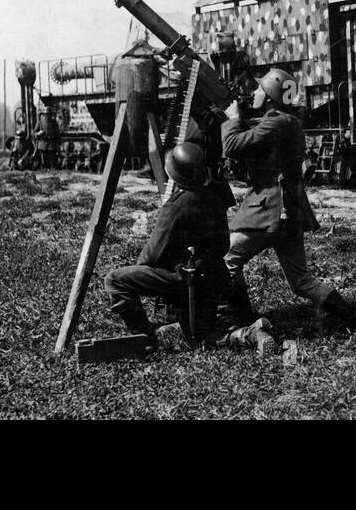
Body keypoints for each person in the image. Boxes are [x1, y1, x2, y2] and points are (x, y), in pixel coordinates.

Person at [104, 140, 275, 355]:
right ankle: (249, 334)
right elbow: (223, 246)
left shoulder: (176, 206)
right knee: (201, 339)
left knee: (115, 280)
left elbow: (152, 255)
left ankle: (145, 338)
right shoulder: (215, 199)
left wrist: (148, 272)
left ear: (174, 175)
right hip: (212, 280)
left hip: (184, 281)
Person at [220, 68, 356, 326]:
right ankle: (350, 315)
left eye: (259, 88)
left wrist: (232, 118)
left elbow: (231, 146)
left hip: (271, 210)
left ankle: (240, 319)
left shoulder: (275, 122)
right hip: (290, 213)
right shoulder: (287, 122)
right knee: (301, 281)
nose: (254, 92)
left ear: (272, 96)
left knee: (226, 259)